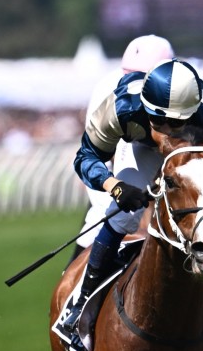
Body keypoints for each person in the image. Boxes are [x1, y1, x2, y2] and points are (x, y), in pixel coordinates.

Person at [52, 58, 203, 351]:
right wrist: (115, 187)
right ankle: (79, 307)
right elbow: (85, 159)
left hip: (193, 152)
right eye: (161, 122)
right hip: (138, 150)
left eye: (177, 124)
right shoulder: (122, 108)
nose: (168, 131)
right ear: (148, 109)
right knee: (124, 217)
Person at [72, 34, 176, 258]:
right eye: (128, 77)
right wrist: (115, 187)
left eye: (142, 80)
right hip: (135, 145)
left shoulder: (189, 92)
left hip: (174, 144)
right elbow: (89, 157)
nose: (132, 87)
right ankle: (82, 290)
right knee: (109, 212)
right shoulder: (109, 92)